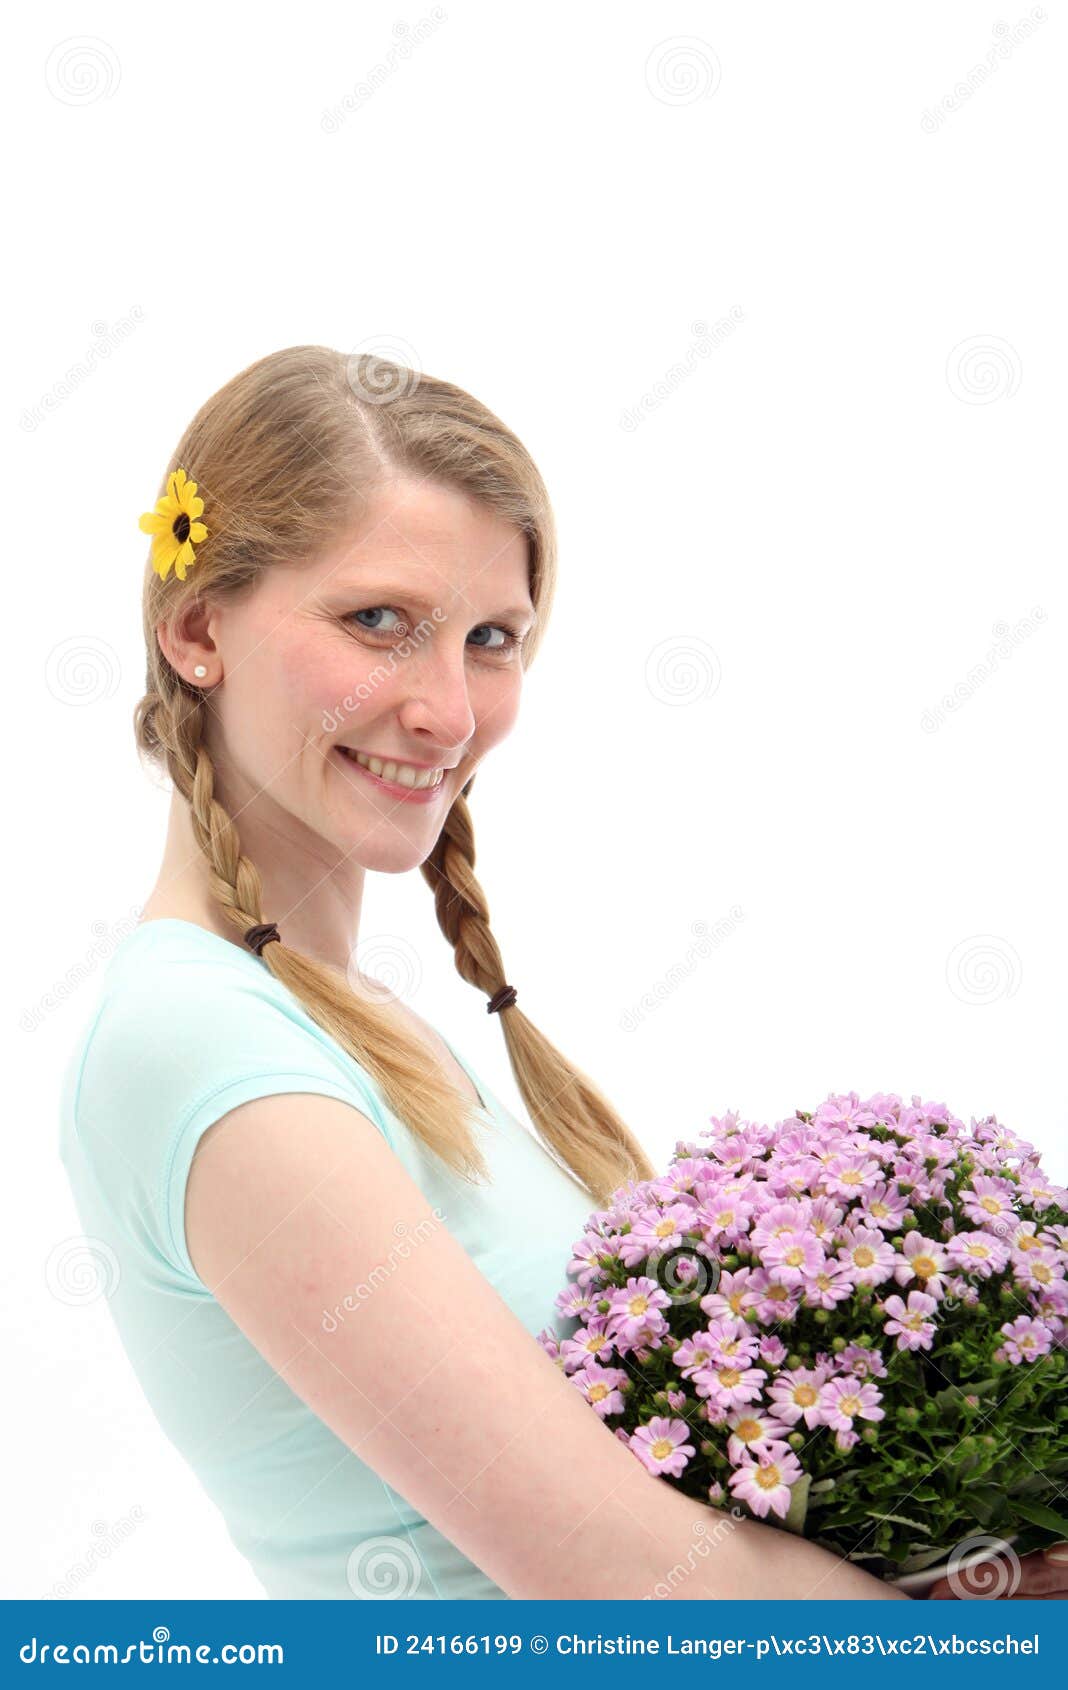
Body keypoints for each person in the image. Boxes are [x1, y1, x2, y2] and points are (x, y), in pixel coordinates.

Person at [59, 345, 1067, 1602]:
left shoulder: (371, 1034)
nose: (446, 708)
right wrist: (1005, 1619)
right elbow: (627, 1581)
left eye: (491, 638)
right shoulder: (197, 1041)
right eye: (378, 621)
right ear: (198, 624)